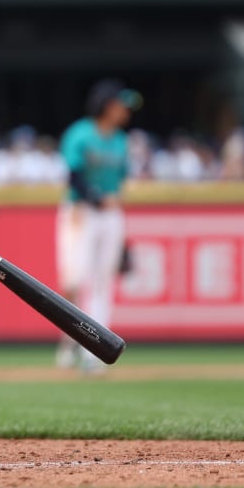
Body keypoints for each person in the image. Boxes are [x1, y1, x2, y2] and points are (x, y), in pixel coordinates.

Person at [55, 80, 140, 375]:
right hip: (81, 211)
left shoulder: (120, 140)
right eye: (121, 104)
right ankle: (69, 342)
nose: (126, 110)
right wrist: (96, 197)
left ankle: (94, 349)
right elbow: (74, 174)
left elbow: (120, 182)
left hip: (110, 216)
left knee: (103, 282)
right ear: (106, 104)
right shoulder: (80, 133)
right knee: (74, 282)